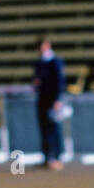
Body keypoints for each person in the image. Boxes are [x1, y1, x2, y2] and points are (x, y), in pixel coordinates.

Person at [31, 36, 68, 169]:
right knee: (44, 129)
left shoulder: (55, 62)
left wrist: (58, 99)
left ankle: (57, 157)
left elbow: (60, 82)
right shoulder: (39, 63)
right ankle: (47, 157)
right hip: (42, 99)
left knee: (54, 129)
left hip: (53, 100)